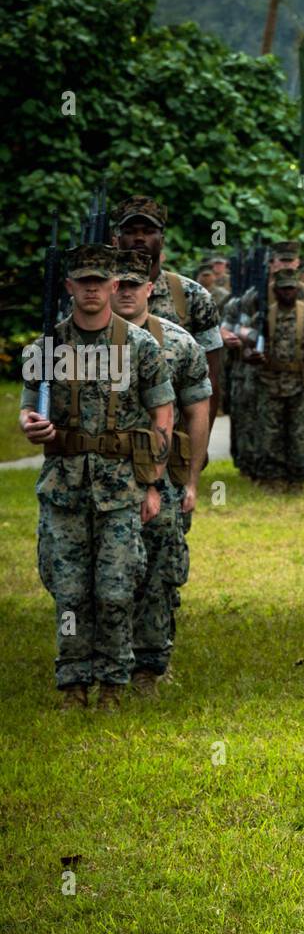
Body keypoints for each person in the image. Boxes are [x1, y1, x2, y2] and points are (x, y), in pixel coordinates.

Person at [18, 244, 174, 710]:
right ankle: (71, 682)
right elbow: (28, 407)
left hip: (121, 488)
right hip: (63, 487)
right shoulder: (46, 347)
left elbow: (162, 417)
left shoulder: (141, 346)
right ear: (69, 286)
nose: (90, 288)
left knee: (115, 588)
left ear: (113, 285)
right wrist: (31, 423)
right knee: (68, 592)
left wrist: (151, 484)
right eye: (81, 281)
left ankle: (112, 682)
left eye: (99, 281)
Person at [110, 250, 211, 693]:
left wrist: (191, 480)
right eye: (120, 284)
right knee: (108, 572)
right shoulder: (78, 344)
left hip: (162, 477)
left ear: (150, 289)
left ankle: (150, 665)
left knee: (159, 569)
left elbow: (198, 410)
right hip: (104, 476)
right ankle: (104, 659)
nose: (127, 292)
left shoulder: (179, 342)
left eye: (135, 285)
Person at [111, 197, 222, 427]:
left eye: (149, 231)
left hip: (171, 438)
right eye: (131, 231)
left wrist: (200, 445)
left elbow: (210, 378)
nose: (140, 238)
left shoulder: (193, 296)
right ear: (116, 239)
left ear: (162, 239)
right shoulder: (96, 296)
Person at [240, 267, 304, 491]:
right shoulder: (262, 317)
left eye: (291, 288)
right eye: (283, 289)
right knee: (269, 433)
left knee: (298, 432)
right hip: (268, 382)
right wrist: (252, 355)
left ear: (298, 289)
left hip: (301, 383)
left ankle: (297, 477)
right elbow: (246, 349)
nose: (287, 292)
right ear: (275, 290)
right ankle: (272, 477)